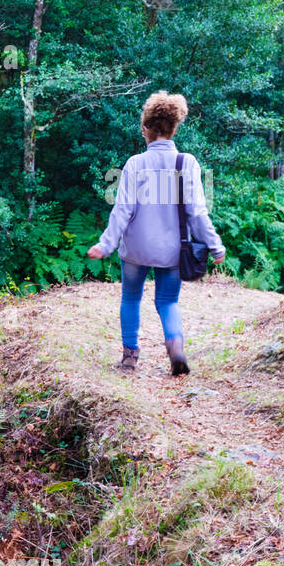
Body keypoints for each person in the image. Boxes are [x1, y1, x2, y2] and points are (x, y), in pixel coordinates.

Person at [87, 91, 226, 375]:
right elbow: (197, 212)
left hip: (137, 249)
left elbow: (122, 210)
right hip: (174, 251)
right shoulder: (187, 163)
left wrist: (106, 244)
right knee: (168, 301)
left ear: (146, 129)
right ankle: (175, 346)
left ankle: (129, 356)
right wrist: (215, 246)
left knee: (130, 298)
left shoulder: (135, 164)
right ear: (174, 128)